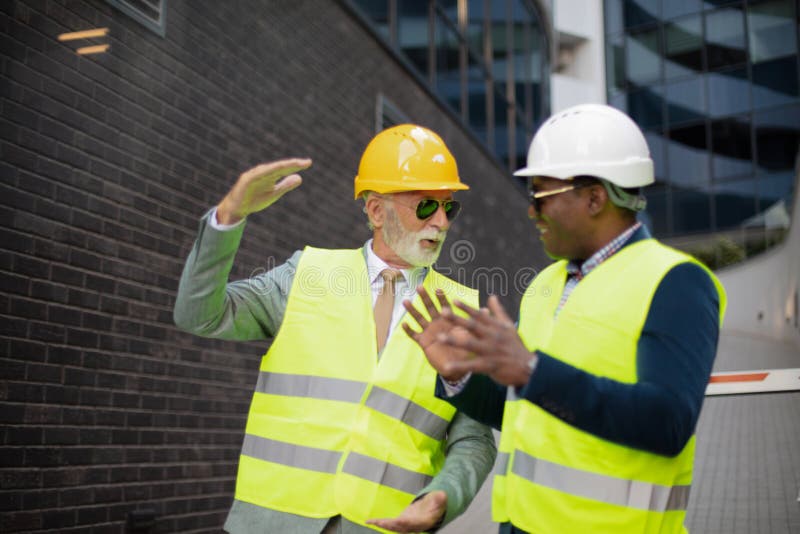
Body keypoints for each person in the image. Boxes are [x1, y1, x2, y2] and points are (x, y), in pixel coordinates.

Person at [401, 104, 726, 534]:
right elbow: (524, 410)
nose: (531, 212)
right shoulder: (544, 285)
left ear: (594, 197)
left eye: (540, 196)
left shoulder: (676, 281)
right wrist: (461, 378)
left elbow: (667, 423)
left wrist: (531, 371)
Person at [173, 124, 496, 534]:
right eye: (426, 206)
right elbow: (198, 313)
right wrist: (228, 218)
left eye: (449, 208)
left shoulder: (463, 313)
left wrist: (444, 497)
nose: (441, 222)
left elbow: (474, 439)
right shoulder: (305, 275)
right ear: (377, 211)